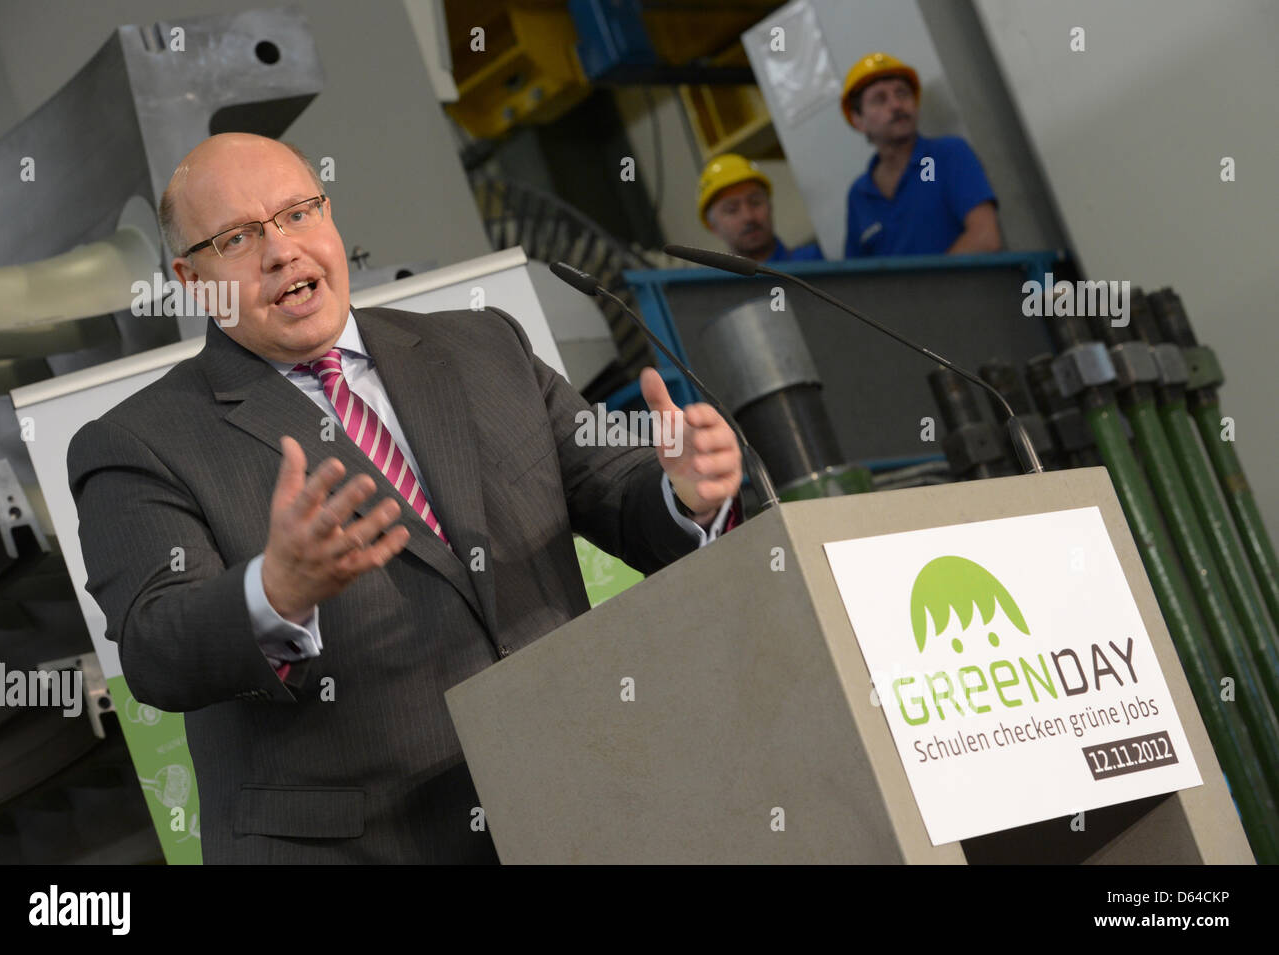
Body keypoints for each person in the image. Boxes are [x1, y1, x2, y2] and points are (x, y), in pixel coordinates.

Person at [66, 133, 742, 864]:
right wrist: (272, 592)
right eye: (238, 237)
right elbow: (157, 647)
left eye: (297, 213)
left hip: (578, 803)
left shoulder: (485, 346)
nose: (282, 250)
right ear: (193, 280)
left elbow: (614, 493)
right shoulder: (138, 441)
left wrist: (682, 493)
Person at [840, 52, 1002, 258]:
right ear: (858, 120)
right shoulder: (859, 195)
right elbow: (857, 278)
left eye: (902, 94)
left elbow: (985, 238)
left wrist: (929, 290)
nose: (896, 105)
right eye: (880, 99)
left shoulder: (948, 155)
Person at [696, 153, 823, 263]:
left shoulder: (816, 262)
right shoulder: (715, 290)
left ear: (770, 205)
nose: (748, 216)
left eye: (755, 202)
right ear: (713, 227)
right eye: (732, 209)